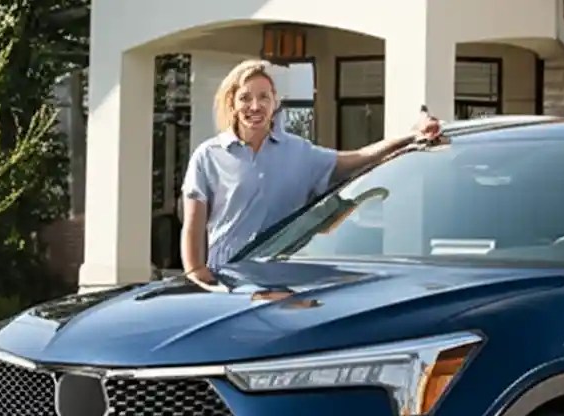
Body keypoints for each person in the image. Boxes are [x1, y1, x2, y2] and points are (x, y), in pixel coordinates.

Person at [179, 59, 442, 284]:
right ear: (233, 103)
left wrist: (410, 137)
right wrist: (197, 276)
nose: (255, 106)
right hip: (225, 280)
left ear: (275, 103)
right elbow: (193, 226)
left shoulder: (300, 153)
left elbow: (357, 159)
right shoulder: (208, 156)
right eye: (245, 98)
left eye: (263, 97)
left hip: (284, 282)